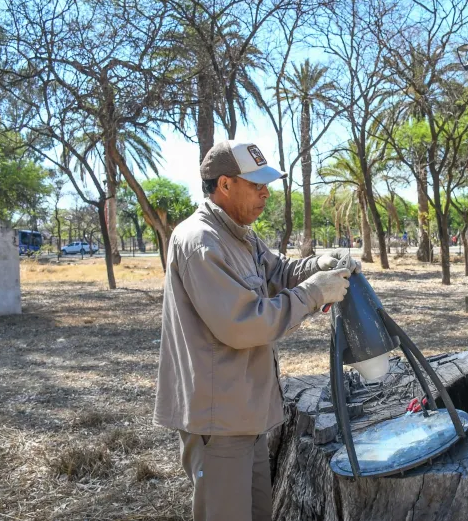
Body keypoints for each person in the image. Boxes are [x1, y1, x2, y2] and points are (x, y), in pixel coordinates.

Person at [154, 139, 360, 521]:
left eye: (267, 184)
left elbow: (279, 272)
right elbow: (244, 324)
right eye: (256, 184)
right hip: (218, 419)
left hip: (244, 412)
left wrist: (320, 264)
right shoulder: (201, 242)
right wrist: (314, 293)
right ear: (225, 185)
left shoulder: (239, 234)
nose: (266, 193)